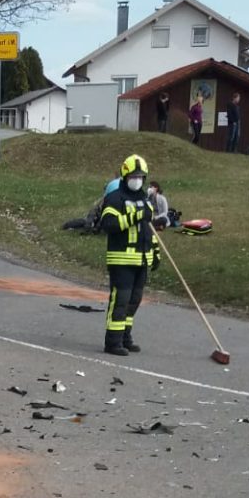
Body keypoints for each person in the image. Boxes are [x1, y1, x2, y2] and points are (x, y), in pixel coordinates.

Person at [100, 153, 154, 357]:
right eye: (134, 176)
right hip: (121, 259)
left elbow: (148, 230)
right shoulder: (114, 199)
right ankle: (112, 342)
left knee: (134, 300)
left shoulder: (144, 198)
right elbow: (109, 225)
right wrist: (137, 215)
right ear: (125, 175)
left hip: (141, 259)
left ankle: (125, 336)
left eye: (140, 176)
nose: (137, 180)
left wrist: (154, 251)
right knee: (120, 300)